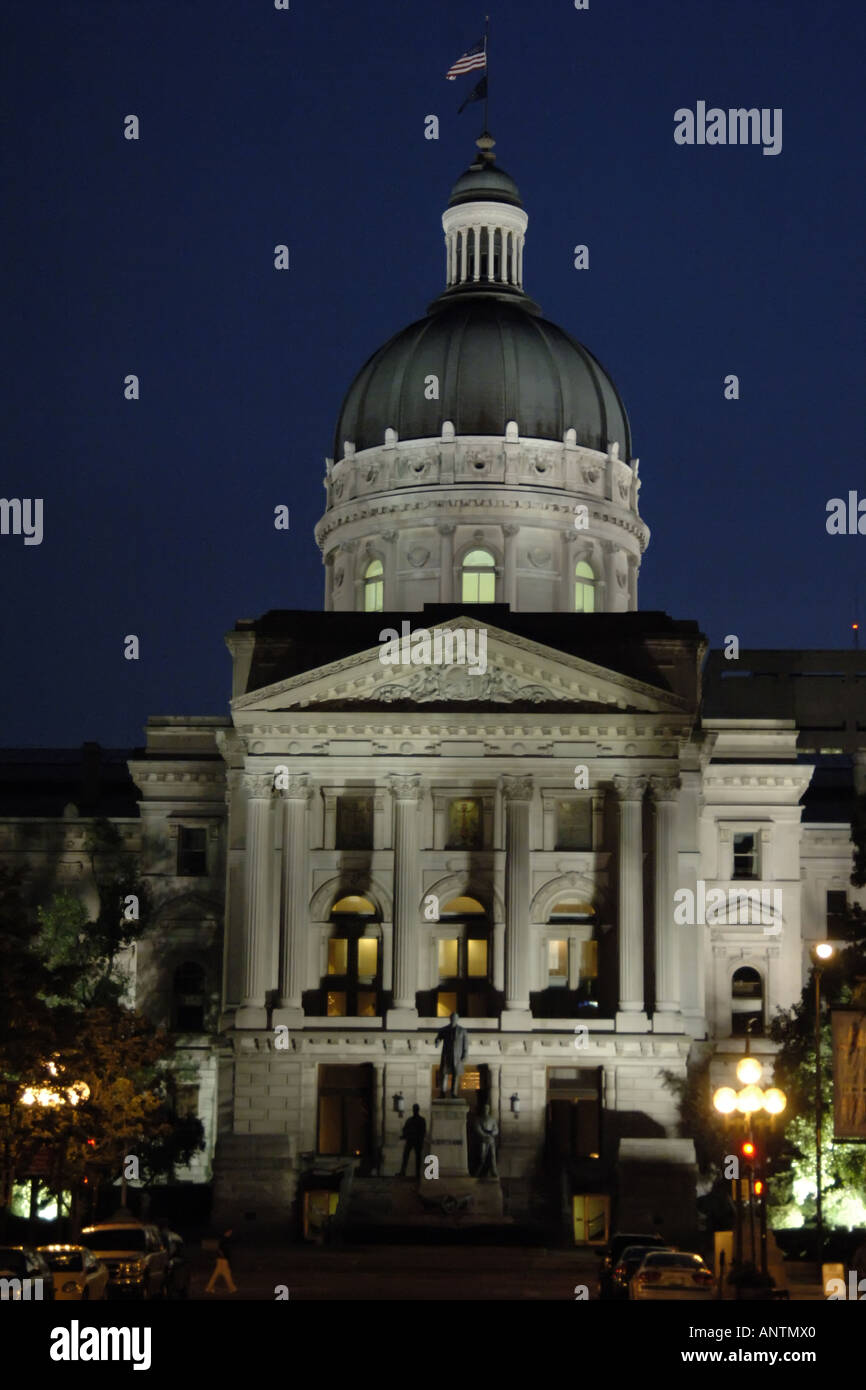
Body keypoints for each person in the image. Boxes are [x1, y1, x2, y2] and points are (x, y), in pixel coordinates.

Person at [435, 1011, 468, 1097]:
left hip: (457, 1056)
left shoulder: (462, 1031)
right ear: (450, 1019)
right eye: (452, 1018)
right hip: (447, 1055)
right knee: (444, 1074)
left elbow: (465, 1044)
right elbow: (438, 1037)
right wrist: (437, 1041)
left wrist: (465, 1054)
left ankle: (454, 1093)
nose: (454, 1019)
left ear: (457, 1019)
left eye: (455, 1018)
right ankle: (442, 1092)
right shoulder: (444, 1029)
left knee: (455, 1075)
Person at [398, 1103, 427, 1179]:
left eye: (415, 1109)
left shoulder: (420, 1120)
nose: (415, 1111)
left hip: (416, 1141)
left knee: (417, 1158)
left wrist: (420, 1139)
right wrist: (404, 1135)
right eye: (414, 1109)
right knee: (406, 1156)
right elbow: (405, 1129)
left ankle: (417, 1173)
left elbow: (423, 1131)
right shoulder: (410, 1120)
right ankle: (403, 1171)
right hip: (411, 1140)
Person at [205, 1228, 237, 1294]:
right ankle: (232, 1289)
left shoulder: (226, 1239)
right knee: (227, 1275)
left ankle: (209, 1288)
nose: (230, 1233)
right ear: (226, 1232)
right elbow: (219, 1249)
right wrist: (223, 1256)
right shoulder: (224, 1239)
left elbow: (222, 1249)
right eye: (229, 1232)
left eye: (230, 1232)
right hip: (222, 1260)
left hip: (222, 1260)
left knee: (217, 1274)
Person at [474, 1103, 499, 1178]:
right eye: (485, 1108)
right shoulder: (479, 1119)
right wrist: (485, 1135)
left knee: (492, 1156)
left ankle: (493, 1170)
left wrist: (492, 1134)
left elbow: (496, 1129)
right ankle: (479, 1172)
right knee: (482, 1156)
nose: (486, 1110)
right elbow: (478, 1129)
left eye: (487, 1108)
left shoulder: (492, 1119)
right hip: (483, 1140)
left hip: (491, 1139)